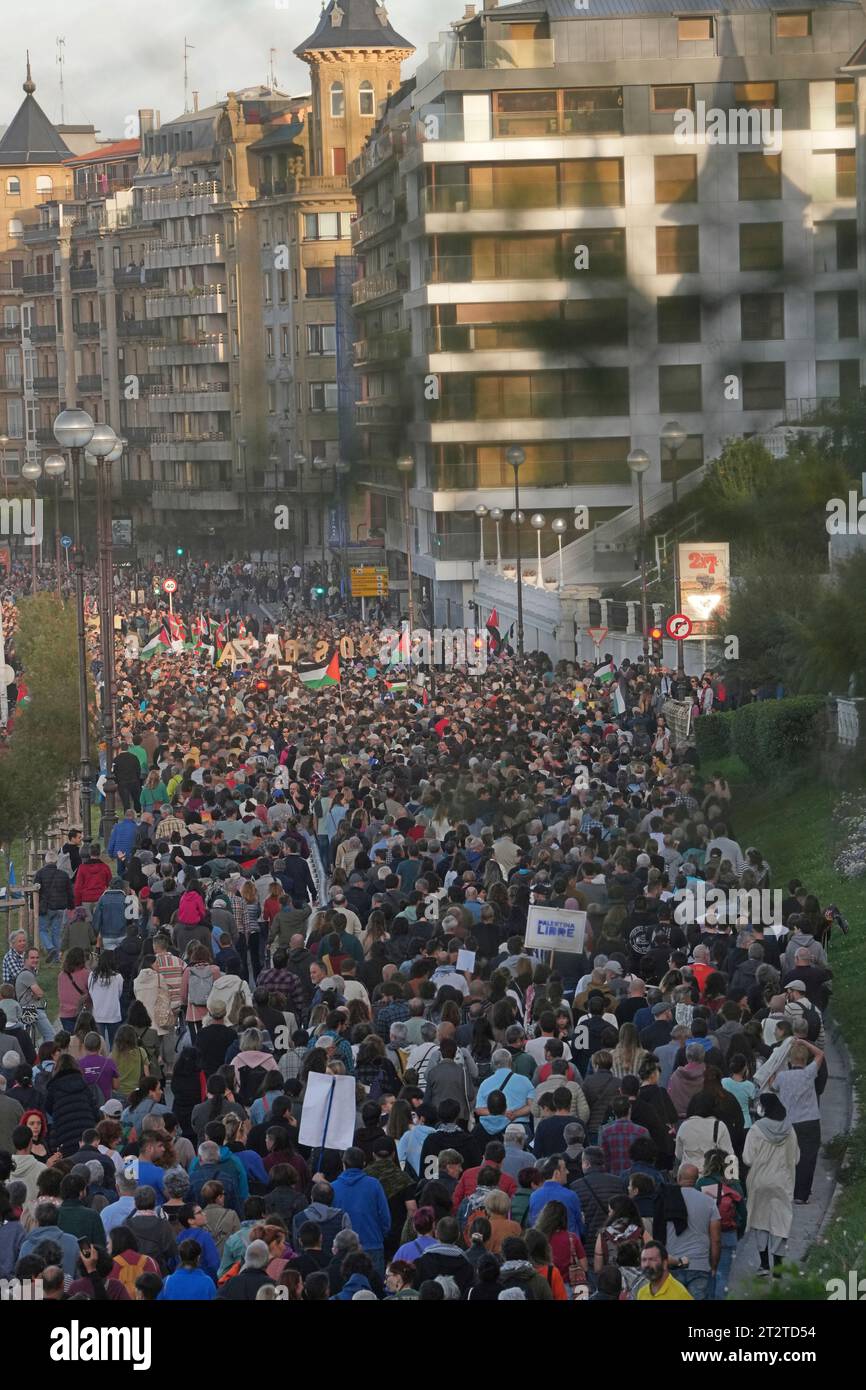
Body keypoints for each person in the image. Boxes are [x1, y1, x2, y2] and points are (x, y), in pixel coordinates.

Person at [743, 1092, 799, 1278]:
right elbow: (796, 1157)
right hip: (782, 1182)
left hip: (759, 1182)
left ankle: (764, 1264)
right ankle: (778, 1267)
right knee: (780, 1222)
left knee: (761, 1222)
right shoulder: (789, 1130)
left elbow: (748, 1158)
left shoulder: (756, 1129)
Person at [658, 1163, 721, 1301]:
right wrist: (714, 1266)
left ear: (678, 1177)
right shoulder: (709, 1202)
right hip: (700, 1265)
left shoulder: (668, 1200)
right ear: (697, 1179)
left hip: (674, 1263)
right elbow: (716, 1239)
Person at [330, 1148, 391, 1278]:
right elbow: (385, 1217)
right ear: (364, 1163)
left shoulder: (333, 1187)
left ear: (344, 1163)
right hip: (372, 1243)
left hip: (343, 1248)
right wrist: (380, 1235)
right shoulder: (374, 1185)